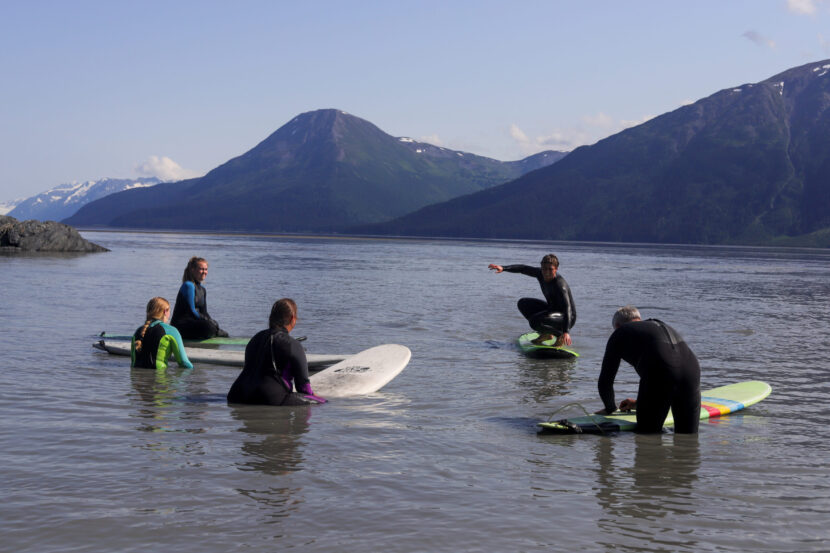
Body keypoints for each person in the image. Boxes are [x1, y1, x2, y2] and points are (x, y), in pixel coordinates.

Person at [595, 305, 701, 433]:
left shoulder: (620, 332)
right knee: (688, 438)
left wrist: (610, 408)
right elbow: (670, 364)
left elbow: (605, 381)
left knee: (648, 437)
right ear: (639, 319)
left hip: (660, 372)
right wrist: (638, 403)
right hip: (692, 371)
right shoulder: (658, 324)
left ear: (617, 326)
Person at [227, 298, 326, 406]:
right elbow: (303, 388)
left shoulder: (255, 339)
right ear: (293, 318)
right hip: (269, 399)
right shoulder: (293, 345)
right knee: (323, 403)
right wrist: (320, 398)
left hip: (237, 395)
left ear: (271, 318)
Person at [488, 253, 576, 346]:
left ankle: (559, 335)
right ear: (541, 267)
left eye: (550, 269)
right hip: (552, 311)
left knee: (534, 322)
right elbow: (523, 268)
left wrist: (566, 331)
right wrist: (503, 268)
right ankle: (547, 333)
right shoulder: (540, 273)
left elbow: (568, 308)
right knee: (523, 303)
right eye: (544, 269)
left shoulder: (560, 285)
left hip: (566, 318)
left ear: (556, 269)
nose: (546, 272)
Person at [171, 256, 228, 340]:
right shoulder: (188, 285)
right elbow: (191, 311)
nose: (204, 272)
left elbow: (204, 312)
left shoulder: (202, 289)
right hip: (181, 325)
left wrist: (212, 321)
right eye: (201, 269)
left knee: (215, 326)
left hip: (193, 322)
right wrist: (207, 322)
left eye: (206, 269)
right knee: (208, 326)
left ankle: (214, 331)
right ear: (192, 270)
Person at [132, 296, 194, 370]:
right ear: (165, 311)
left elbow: (133, 361)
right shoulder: (171, 331)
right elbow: (184, 362)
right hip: (160, 378)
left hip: (137, 379)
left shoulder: (138, 331)